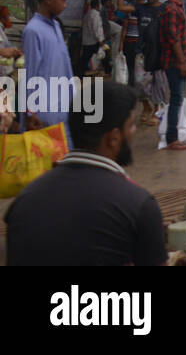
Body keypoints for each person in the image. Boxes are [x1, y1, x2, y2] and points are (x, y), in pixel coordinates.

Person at [3, 80, 166, 266]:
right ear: (113, 138)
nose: (134, 132)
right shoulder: (138, 204)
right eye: (131, 125)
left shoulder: (24, 201)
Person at [19, 0, 76, 131]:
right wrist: (30, 112)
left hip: (62, 108)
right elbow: (30, 73)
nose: (65, 5)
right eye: (63, 0)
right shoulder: (33, 31)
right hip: (43, 114)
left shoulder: (56, 26)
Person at [159, 0, 186, 151]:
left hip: (175, 61)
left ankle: (174, 134)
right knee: (177, 98)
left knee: (177, 98)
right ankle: (172, 137)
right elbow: (173, 38)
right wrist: (182, 62)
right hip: (174, 62)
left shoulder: (175, 7)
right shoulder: (172, 9)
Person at [80, 0, 105, 74]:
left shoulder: (87, 14)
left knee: (85, 58)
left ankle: (80, 72)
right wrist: (100, 40)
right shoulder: (96, 15)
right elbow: (97, 28)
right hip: (93, 41)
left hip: (86, 40)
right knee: (102, 56)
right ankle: (105, 71)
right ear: (98, 5)